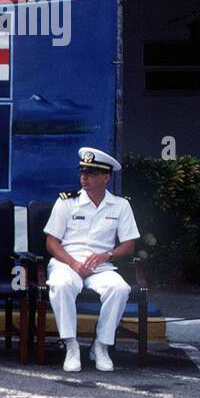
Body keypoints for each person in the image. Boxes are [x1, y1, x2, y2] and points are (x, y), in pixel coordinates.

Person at [43, 147, 139, 372]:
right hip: (68, 263)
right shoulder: (67, 202)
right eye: (82, 172)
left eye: (91, 173)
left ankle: (101, 346)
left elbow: (129, 244)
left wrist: (108, 254)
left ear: (106, 177)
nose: (84, 177)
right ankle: (71, 346)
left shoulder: (121, 205)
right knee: (62, 284)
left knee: (120, 288)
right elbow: (52, 242)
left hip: (101, 266)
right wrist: (73, 263)